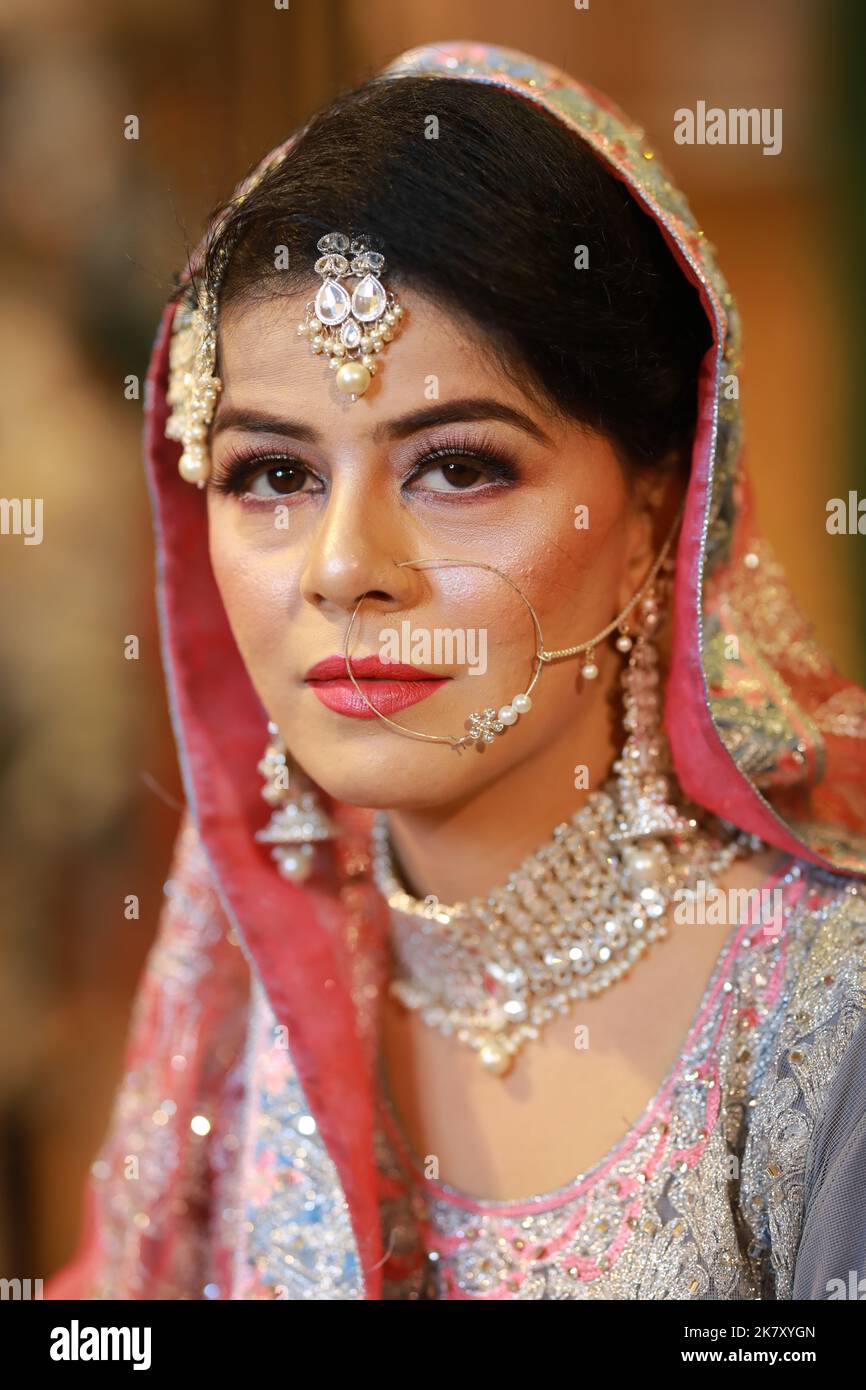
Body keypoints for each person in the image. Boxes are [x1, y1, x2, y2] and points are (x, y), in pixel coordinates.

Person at [47, 41, 866, 1302]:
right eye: (273, 474)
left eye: (458, 467)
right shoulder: (247, 963)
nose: (342, 569)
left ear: (658, 509)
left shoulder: (820, 1019)